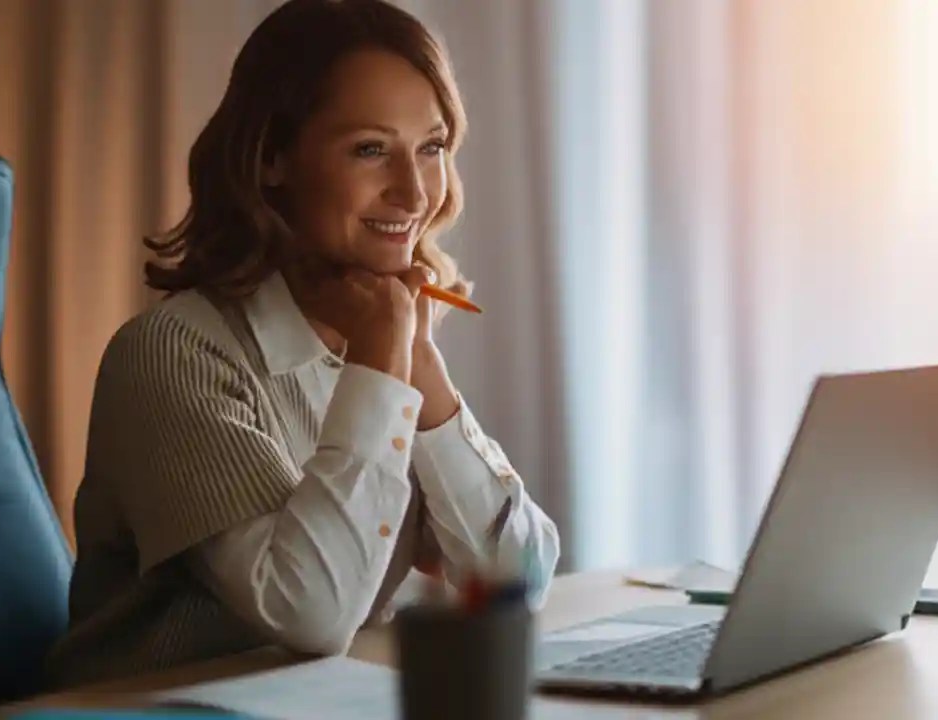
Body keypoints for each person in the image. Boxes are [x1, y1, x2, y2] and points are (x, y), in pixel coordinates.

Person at [45, 0, 560, 687]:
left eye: (431, 148)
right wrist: (385, 367)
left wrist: (425, 378)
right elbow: (311, 614)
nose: (414, 193)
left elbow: (515, 581)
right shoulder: (171, 355)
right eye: (370, 149)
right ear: (272, 158)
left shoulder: (384, 339)